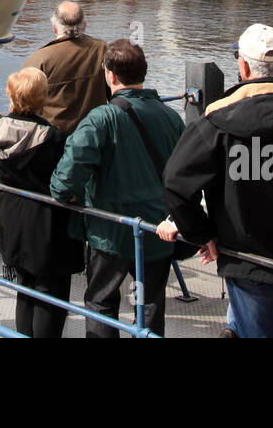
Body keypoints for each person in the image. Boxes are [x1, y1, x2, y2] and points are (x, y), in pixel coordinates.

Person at [160, 23, 273, 338]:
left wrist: (203, 233)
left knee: (256, 327)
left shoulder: (216, 121)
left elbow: (175, 181)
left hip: (245, 253)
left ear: (242, 65)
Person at [51, 39, 184, 337]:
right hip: (156, 228)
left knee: (101, 302)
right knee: (150, 303)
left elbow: (67, 174)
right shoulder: (172, 117)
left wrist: (64, 193)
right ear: (144, 73)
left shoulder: (101, 119)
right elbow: (185, 174)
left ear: (110, 75)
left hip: (109, 230)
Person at [0, 67, 83, 338]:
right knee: (50, 292)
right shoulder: (55, 138)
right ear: (43, 97)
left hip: (11, 216)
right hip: (46, 222)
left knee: (25, 286)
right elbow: (64, 181)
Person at [23, 1, 109, 134]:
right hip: (97, 136)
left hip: (53, 140)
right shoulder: (103, 49)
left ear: (55, 27)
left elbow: (24, 107)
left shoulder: (39, 58)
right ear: (84, 25)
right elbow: (115, 92)